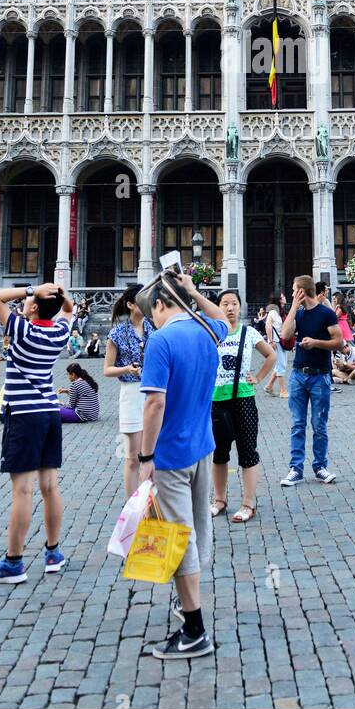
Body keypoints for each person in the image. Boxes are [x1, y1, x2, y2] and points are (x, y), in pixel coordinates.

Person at [138, 270, 226, 660]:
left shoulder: (161, 340)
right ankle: (186, 598)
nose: (151, 320)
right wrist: (194, 293)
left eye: (151, 312)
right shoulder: (208, 332)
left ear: (159, 305)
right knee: (196, 527)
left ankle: (194, 629)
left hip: (171, 455)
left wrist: (144, 456)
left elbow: (154, 403)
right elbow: (224, 320)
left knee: (175, 537)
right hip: (202, 447)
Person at [0, 283, 73, 584]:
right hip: (50, 413)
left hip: (24, 415)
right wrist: (57, 294)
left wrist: (34, 289)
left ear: (32, 308)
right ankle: (53, 552)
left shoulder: (23, 330)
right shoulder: (59, 333)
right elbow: (68, 310)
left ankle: (14, 561)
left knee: (22, 490)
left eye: (30, 301)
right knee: (50, 487)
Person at [210, 290, 275, 523]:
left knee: (247, 451)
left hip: (243, 398)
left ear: (240, 307)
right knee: (219, 453)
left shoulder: (248, 333)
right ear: (217, 307)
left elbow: (271, 355)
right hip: (217, 399)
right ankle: (219, 500)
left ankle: (248, 503)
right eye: (224, 303)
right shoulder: (210, 333)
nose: (229, 308)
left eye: (234, 304)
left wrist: (257, 377)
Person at [279, 274, 344, 487]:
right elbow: (285, 334)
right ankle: (295, 469)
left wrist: (316, 342)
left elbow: (338, 342)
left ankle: (320, 467)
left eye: (293, 290)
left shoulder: (326, 313)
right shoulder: (298, 313)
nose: (291, 293)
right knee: (297, 424)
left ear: (301, 290)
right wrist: (293, 307)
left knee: (319, 425)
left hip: (320, 376)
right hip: (298, 374)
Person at [104, 284, 154, 501]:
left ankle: (152, 500)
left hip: (154, 393)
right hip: (131, 393)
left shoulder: (155, 328)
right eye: (142, 300)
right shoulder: (117, 333)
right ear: (131, 304)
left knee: (152, 454)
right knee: (132, 457)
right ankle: (132, 503)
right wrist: (127, 369)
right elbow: (107, 369)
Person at [262, 294, 288, 398]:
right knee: (281, 365)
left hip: (282, 342)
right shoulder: (273, 312)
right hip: (276, 342)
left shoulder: (280, 311)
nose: (285, 298)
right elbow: (268, 326)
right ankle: (283, 390)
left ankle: (269, 386)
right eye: (283, 296)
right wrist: (271, 341)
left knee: (281, 364)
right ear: (279, 300)